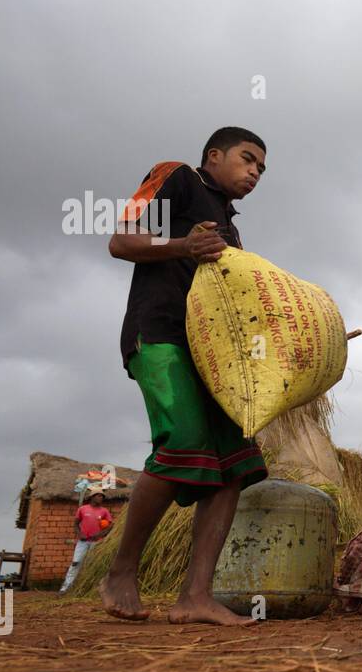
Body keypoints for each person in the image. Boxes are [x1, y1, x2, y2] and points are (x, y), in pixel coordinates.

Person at [102, 127, 270, 624]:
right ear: (214, 156)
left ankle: (195, 596)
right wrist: (182, 246)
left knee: (235, 463)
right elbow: (121, 240)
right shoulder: (176, 177)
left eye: (262, 168)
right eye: (248, 160)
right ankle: (120, 574)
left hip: (212, 353)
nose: (256, 172)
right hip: (159, 336)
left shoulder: (231, 231)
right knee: (183, 442)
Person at [61, 489, 111, 594]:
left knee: (93, 564)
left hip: (97, 542)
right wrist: (80, 534)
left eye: (102, 496)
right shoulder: (83, 509)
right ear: (92, 497)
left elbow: (110, 526)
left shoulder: (104, 511)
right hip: (82, 542)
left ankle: (92, 589)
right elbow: (76, 524)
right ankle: (65, 588)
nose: (101, 498)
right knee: (76, 562)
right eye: (98, 496)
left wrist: (100, 534)